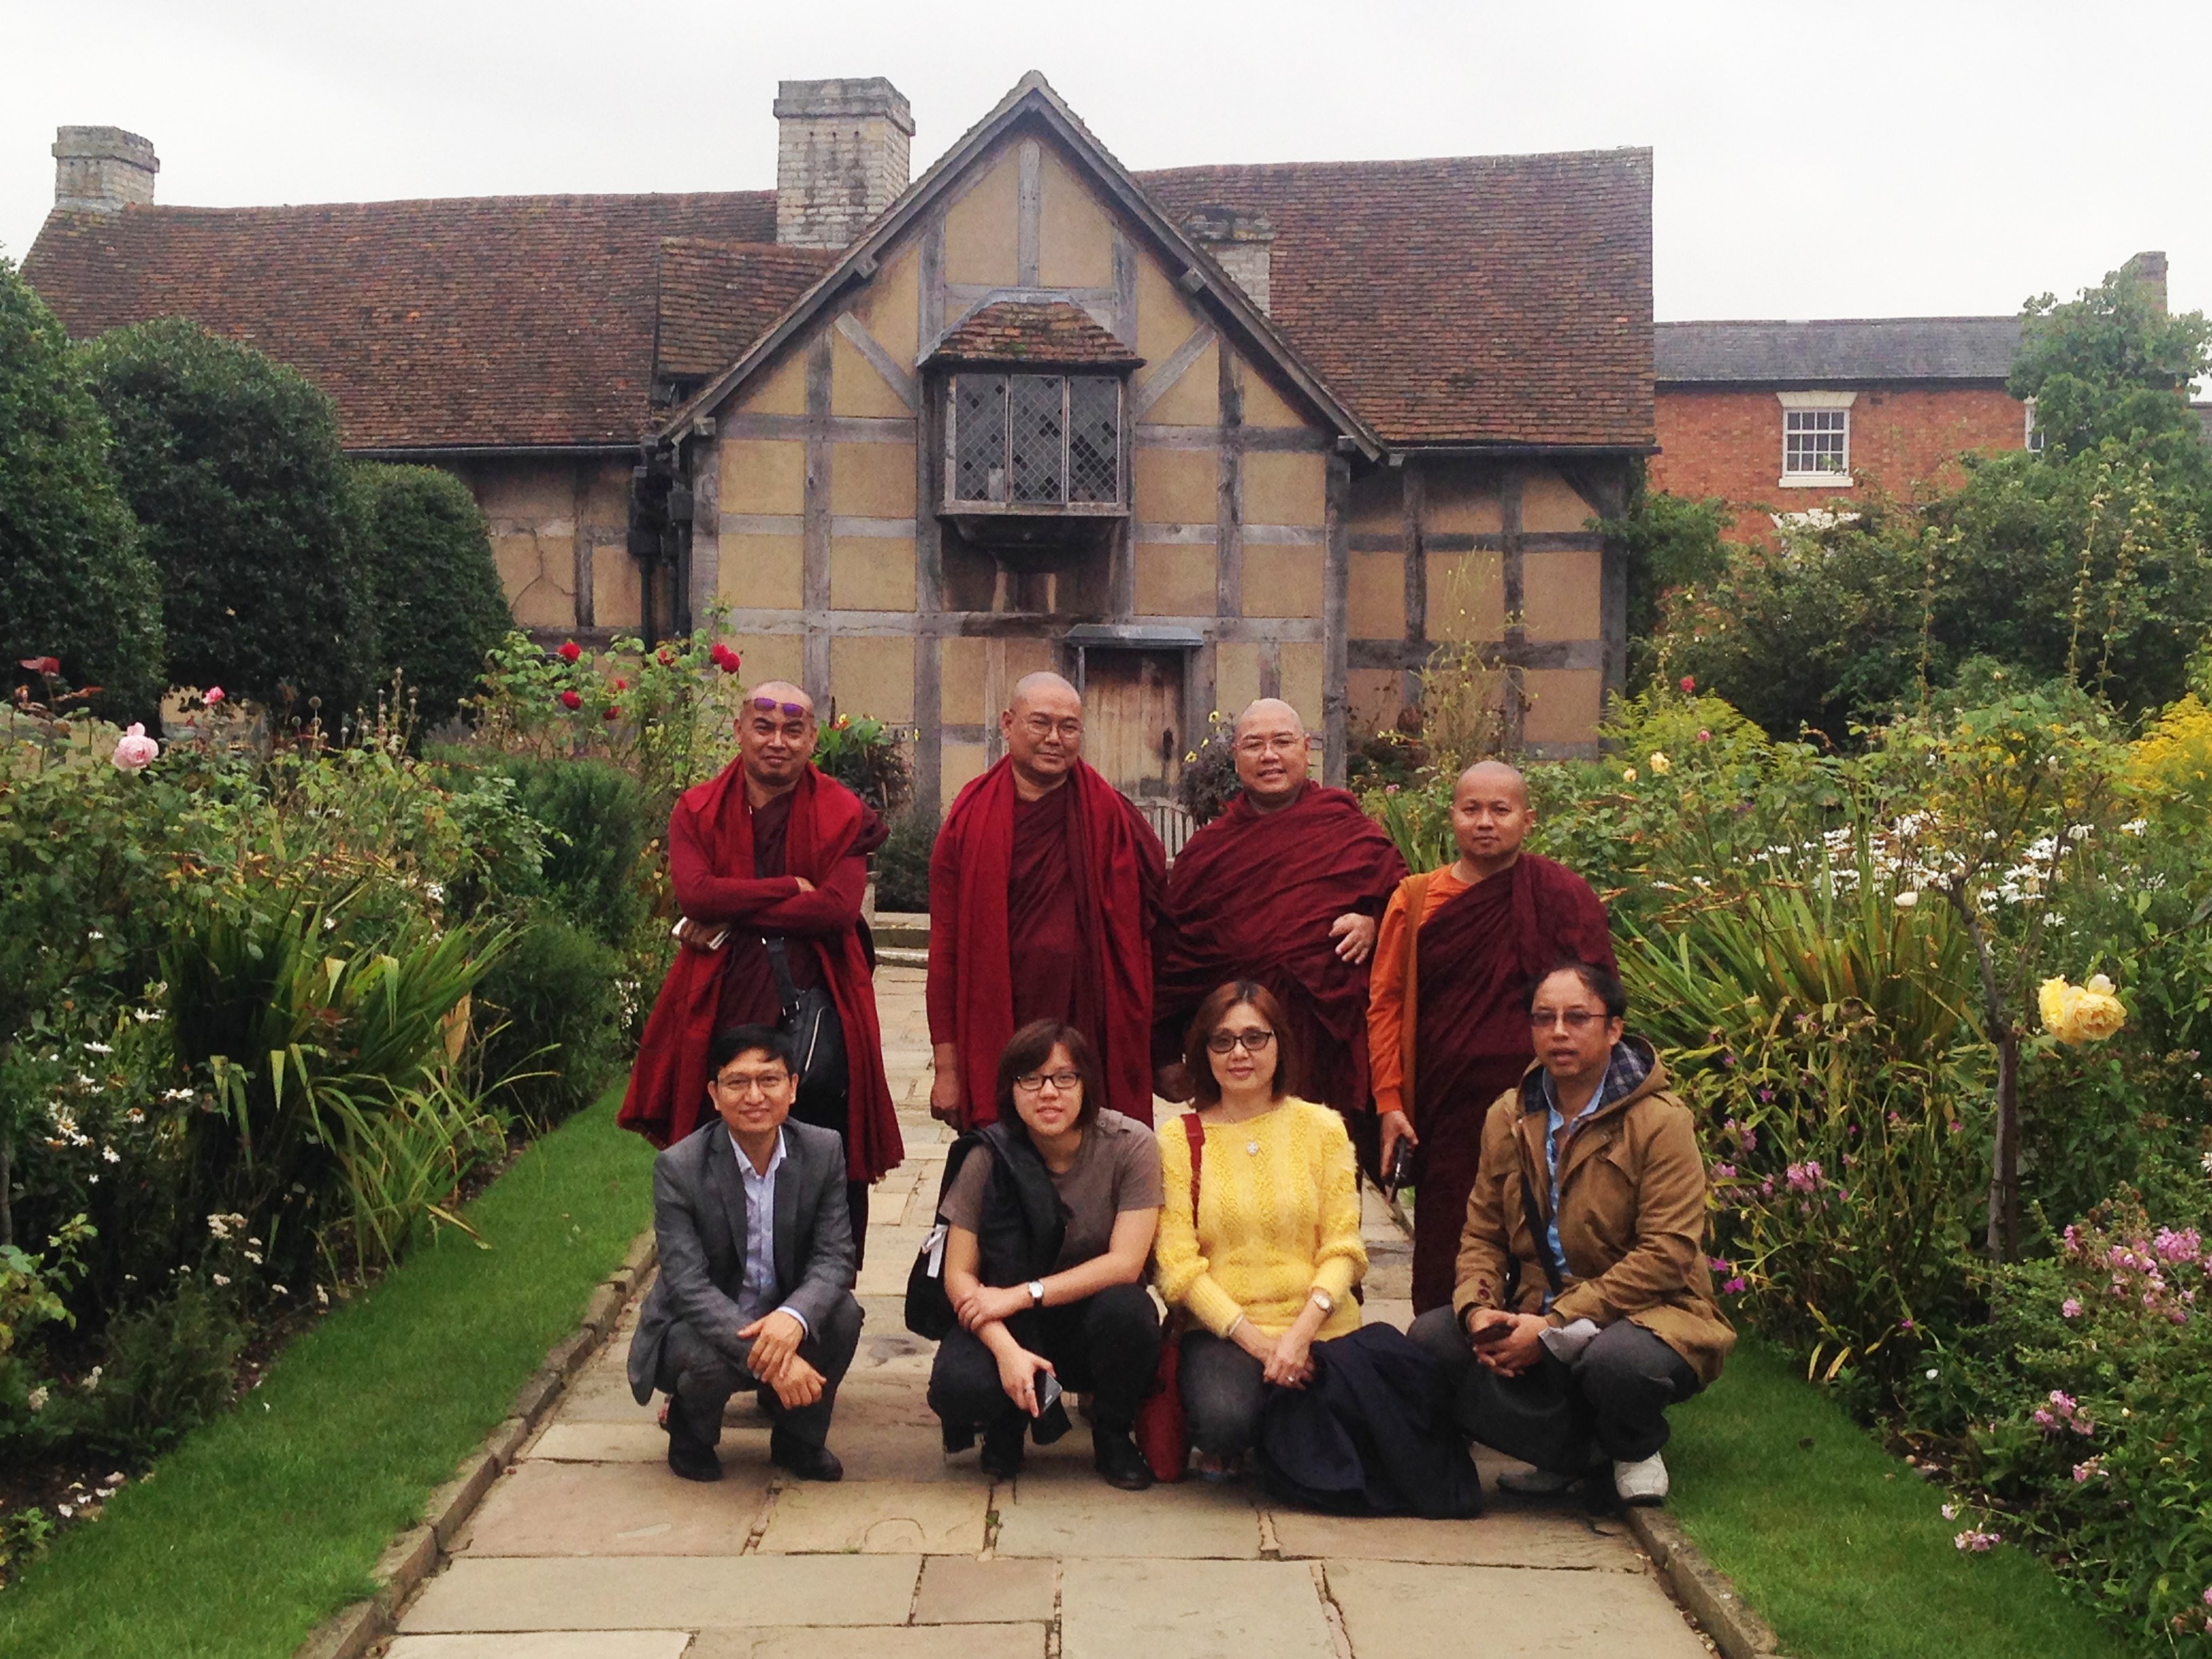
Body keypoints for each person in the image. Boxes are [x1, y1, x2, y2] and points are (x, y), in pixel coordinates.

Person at [1410, 962, 1734, 1507]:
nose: (1558, 1032)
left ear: (1613, 1029)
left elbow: (1668, 1254)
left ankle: (1633, 1445)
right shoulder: (1509, 1117)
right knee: (1433, 1342)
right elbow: (1483, 1234)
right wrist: (1479, 1310)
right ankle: (1574, 1455)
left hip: (1649, 1313)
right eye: (1544, 1018)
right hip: (1539, 1304)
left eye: (1577, 1018)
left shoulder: (1661, 1122)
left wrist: (1556, 1324)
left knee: (1617, 1366)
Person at [620, 680, 901, 1255]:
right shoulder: (698, 809)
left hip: (816, 1013)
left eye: (793, 730)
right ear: (740, 731)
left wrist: (736, 902)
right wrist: (787, 887)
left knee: (826, 1141)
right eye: (765, 727)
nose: (778, 741)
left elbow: (836, 908)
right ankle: (715, 1273)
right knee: (712, 1141)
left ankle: (828, 1281)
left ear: (812, 739)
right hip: (719, 1004)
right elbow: (696, 895)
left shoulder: (841, 814)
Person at [1366, 760, 1615, 1312]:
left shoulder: (1561, 895)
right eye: (1471, 809)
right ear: (1451, 816)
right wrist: (1390, 1100)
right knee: (1447, 1251)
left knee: (1551, 1246)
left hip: (1549, 1106)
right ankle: (1444, 1365)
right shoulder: (1415, 897)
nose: (1485, 822)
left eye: (1500, 810)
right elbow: (1385, 1004)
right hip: (1448, 1108)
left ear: (1527, 820)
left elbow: (1599, 1003)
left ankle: (1541, 1359)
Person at [1151, 699, 1406, 1161]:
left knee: (1323, 1184)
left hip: (1323, 1052)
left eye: (1282, 742)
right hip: (1233, 1055)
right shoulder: (1207, 855)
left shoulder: (1349, 832)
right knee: (1233, 1193)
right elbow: (1173, 958)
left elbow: (1402, 906)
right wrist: (1166, 1053)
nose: (1269, 756)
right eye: (1254, 745)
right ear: (1236, 757)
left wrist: (1373, 924)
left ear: (1306, 749)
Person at [924, 1021, 1164, 1490]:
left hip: (1086, 1320)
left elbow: (1126, 1263)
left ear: (1087, 1083)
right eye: (1030, 1080)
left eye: (1064, 1078)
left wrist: (1020, 1295)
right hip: (1008, 1325)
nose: (1047, 1093)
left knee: (1131, 1310)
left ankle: (1113, 1434)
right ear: (1010, 1091)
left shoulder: (1131, 1146)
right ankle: (1004, 1426)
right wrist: (1006, 1349)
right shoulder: (989, 1155)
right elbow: (959, 1276)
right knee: (959, 1387)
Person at [927, 671, 1166, 1129]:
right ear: (1008, 723)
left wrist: (1153, 1049)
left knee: (1098, 1169)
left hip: (1092, 1026)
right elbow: (946, 948)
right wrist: (948, 1068)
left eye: (1069, 727)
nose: (1055, 739)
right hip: (1000, 1024)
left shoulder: (1110, 816)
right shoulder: (969, 819)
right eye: (1040, 723)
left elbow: (1151, 936)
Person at [628, 1025, 864, 1484]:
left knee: (842, 1315)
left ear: (793, 1088)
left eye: (769, 1080)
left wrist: (793, 1317)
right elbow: (688, 1285)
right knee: (706, 1359)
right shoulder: (679, 1168)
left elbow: (836, 1256)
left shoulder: (822, 1150)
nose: (754, 1096)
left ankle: (799, 1440)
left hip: (780, 1312)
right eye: (738, 1083)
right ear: (714, 1094)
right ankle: (691, 1433)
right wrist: (773, 1354)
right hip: (697, 1325)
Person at [1153, 982, 1367, 1471]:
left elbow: (1344, 1249)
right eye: (1222, 1041)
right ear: (1202, 1052)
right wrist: (1260, 1342)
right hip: (1227, 1331)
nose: (1239, 1054)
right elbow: (1178, 1267)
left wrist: (1300, 1337)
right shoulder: (1179, 1139)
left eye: (1255, 1038)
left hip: (1322, 1324)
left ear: (1280, 1043)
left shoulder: (1323, 1128)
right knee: (1225, 1421)